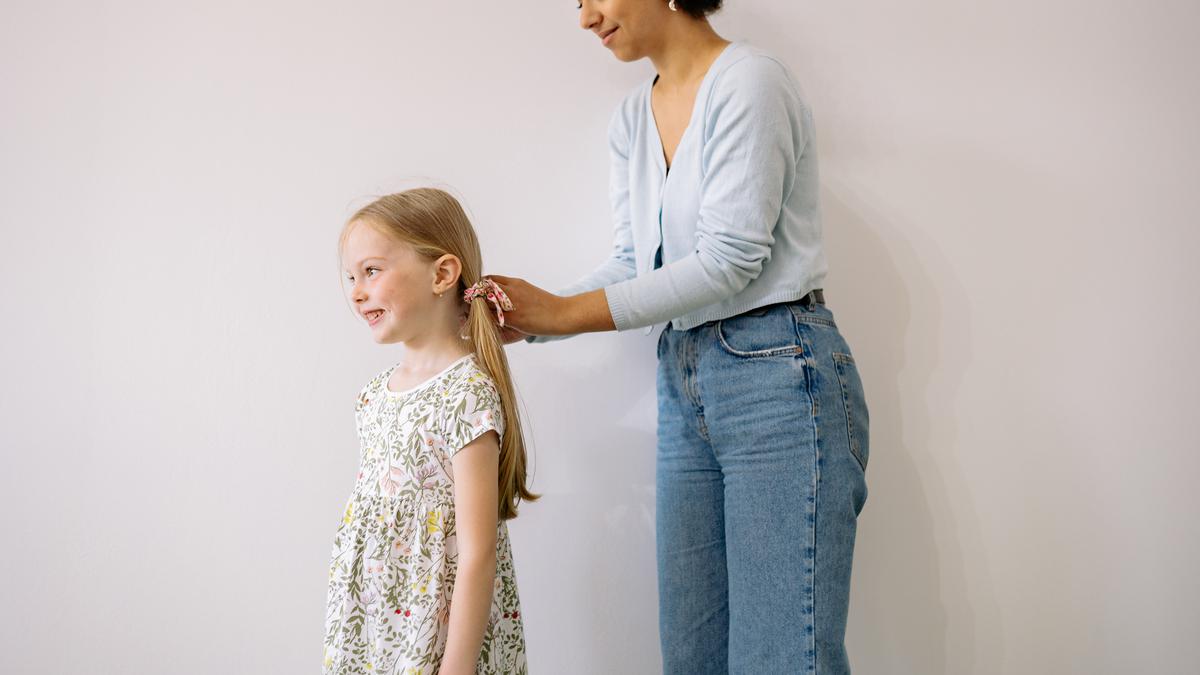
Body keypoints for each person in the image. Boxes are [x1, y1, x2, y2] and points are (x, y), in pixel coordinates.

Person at [489, 2, 869, 673]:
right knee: (692, 657)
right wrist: (530, 317)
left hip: (777, 375)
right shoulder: (632, 120)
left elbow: (729, 260)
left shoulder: (751, 81)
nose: (584, 18)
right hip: (683, 375)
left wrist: (563, 313)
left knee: (782, 658)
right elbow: (640, 264)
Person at [324, 188, 535, 674]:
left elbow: (479, 553)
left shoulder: (465, 395)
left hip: (438, 638)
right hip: (376, 629)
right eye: (351, 277)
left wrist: (455, 669)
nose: (357, 290)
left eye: (372, 271)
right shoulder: (374, 396)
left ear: (442, 274)